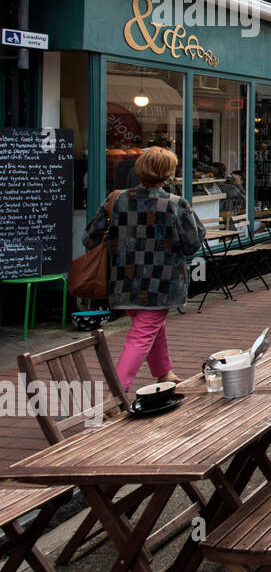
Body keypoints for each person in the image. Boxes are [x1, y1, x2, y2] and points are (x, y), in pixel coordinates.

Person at [83, 147, 205, 392]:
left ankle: (163, 371)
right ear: (168, 174)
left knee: (149, 325)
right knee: (142, 334)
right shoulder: (175, 204)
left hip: (123, 280)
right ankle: (116, 392)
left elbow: (90, 237)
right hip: (161, 283)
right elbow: (193, 243)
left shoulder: (116, 199)